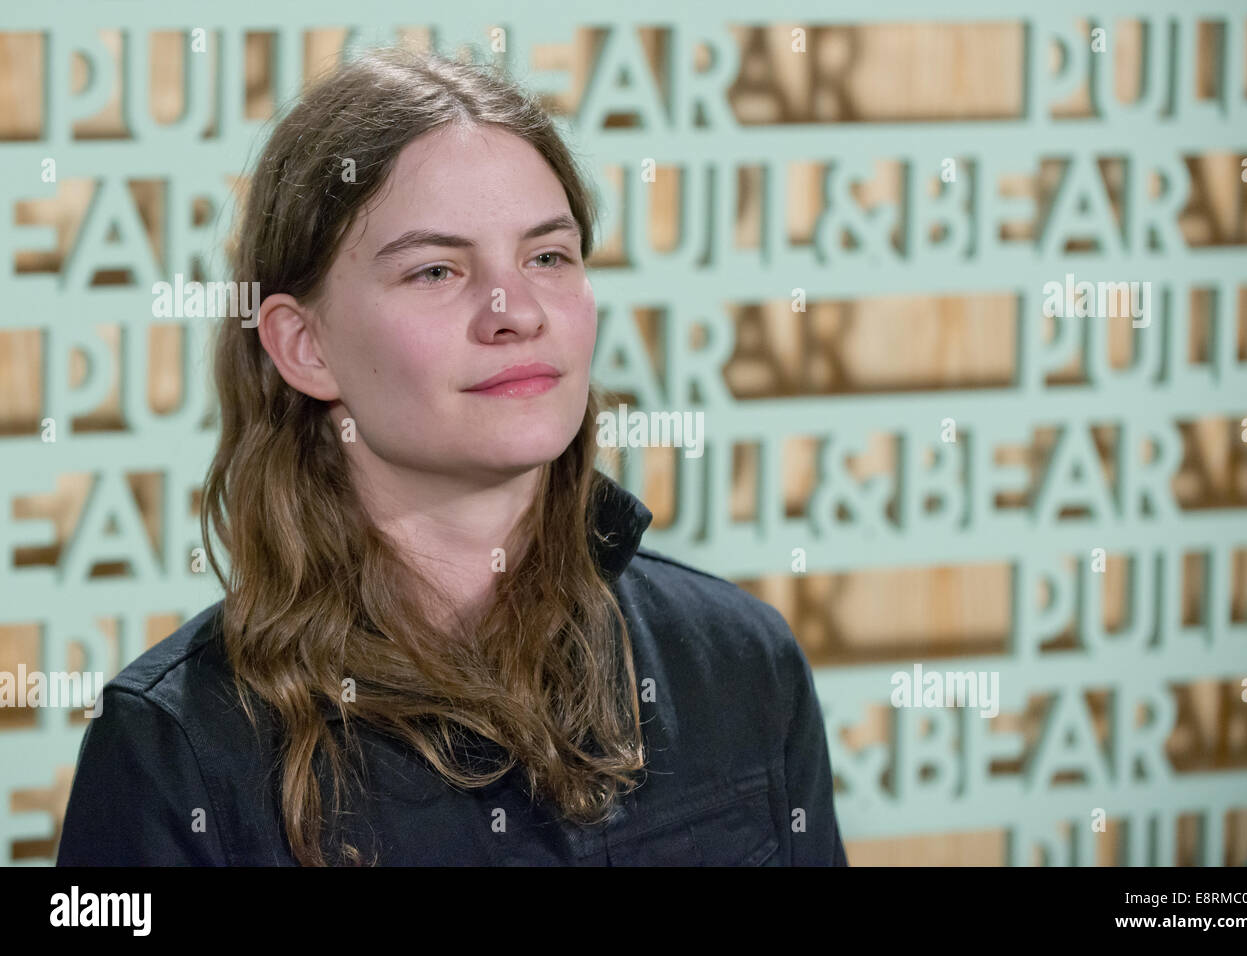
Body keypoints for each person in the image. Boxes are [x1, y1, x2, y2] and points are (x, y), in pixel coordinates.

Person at [55, 45, 849, 866]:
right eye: (436, 270)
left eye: (548, 257)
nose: (515, 313)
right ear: (305, 345)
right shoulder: (174, 748)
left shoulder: (741, 665)